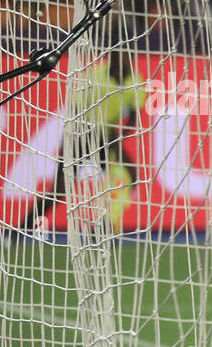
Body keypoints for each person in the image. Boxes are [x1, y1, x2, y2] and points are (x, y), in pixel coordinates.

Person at [20, 51, 143, 235]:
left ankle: (106, 224)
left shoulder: (135, 81)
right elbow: (75, 111)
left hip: (106, 138)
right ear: (111, 58)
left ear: (130, 58)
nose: (121, 61)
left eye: (125, 56)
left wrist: (119, 138)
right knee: (59, 191)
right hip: (79, 136)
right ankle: (23, 227)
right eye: (117, 56)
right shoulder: (94, 76)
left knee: (130, 175)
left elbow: (134, 117)